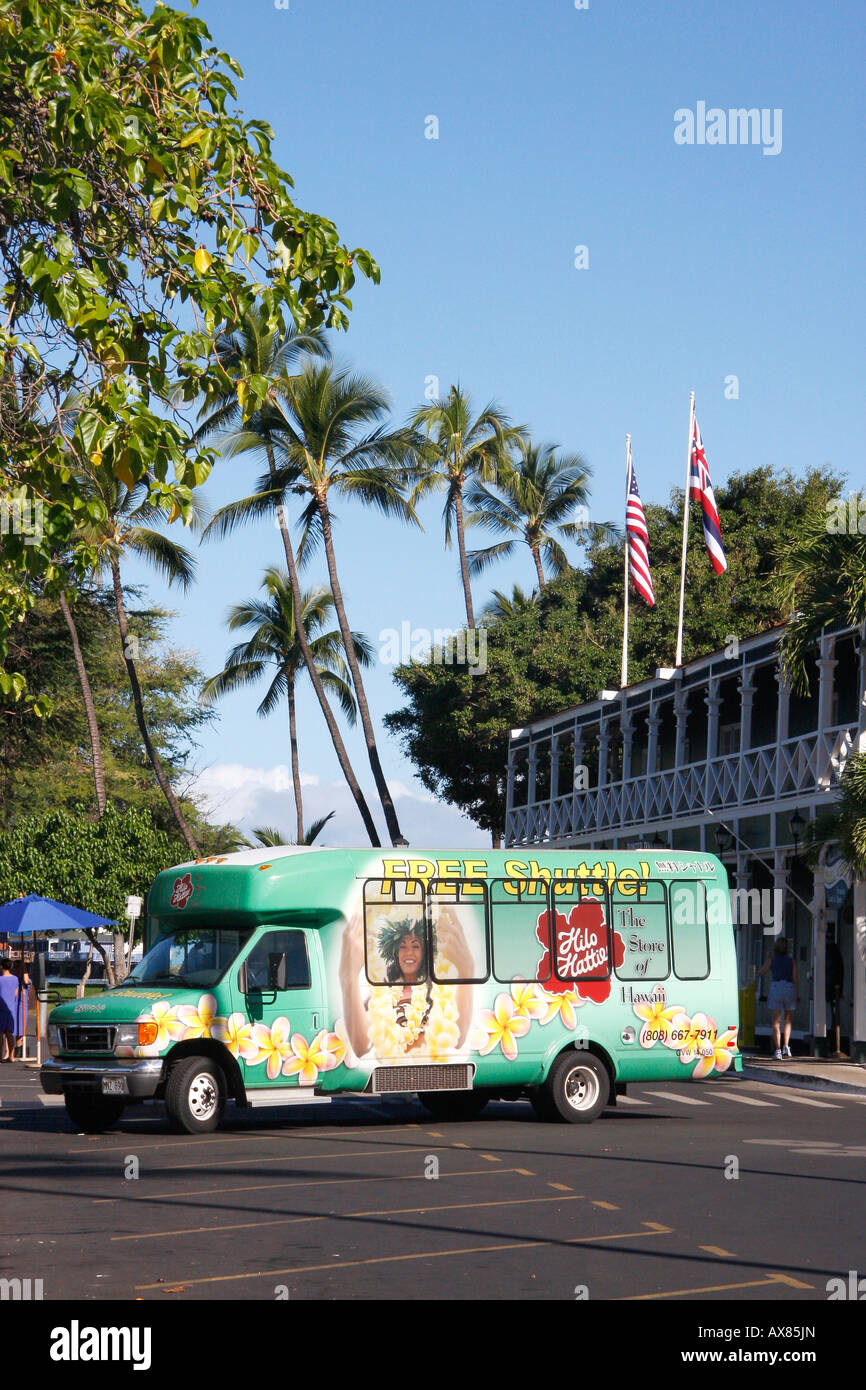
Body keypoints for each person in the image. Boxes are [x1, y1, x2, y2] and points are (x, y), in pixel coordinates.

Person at [340, 907, 475, 1061]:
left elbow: (457, 1038)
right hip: (390, 1071)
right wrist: (348, 976)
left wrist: (466, 970)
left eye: (415, 946)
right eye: (402, 946)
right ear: (395, 953)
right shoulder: (380, 996)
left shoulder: (439, 991)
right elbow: (362, 1047)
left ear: (424, 952)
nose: (408, 952)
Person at [757, 937, 798, 1059]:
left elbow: (761, 972)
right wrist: (796, 993)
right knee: (788, 1020)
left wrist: (767, 959)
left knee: (776, 1022)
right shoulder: (791, 961)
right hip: (789, 987)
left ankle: (778, 1050)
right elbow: (796, 978)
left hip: (776, 987)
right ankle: (786, 1046)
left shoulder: (772, 960)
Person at [0, 959, 20, 1063]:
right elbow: (15, 993)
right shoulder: (15, 979)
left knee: (0, 1034)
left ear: (1, 967)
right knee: (9, 1034)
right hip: (11, 1008)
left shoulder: (0, 979)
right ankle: (11, 1056)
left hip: (1, 1009)